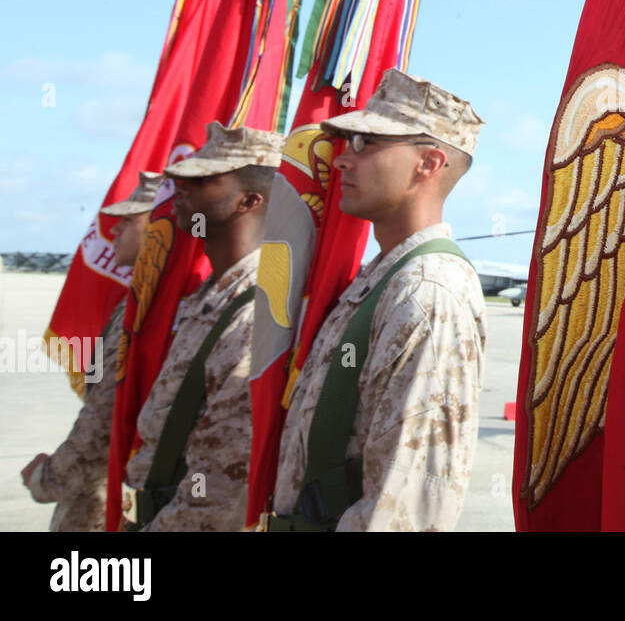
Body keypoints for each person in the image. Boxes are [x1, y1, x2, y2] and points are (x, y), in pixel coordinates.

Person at [265, 67, 486, 531]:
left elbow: (404, 512)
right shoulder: (384, 278)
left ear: (428, 163)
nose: (343, 161)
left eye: (367, 144)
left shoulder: (430, 293)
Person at [120, 123, 283, 531]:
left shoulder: (256, 309)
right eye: (181, 177)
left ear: (248, 200)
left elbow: (222, 485)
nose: (179, 186)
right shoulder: (212, 292)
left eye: (203, 179)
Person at [22, 171, 162, 531]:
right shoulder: (135, 305)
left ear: (157, 228)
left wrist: (46, 477)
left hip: (112, 505)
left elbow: (103, 427)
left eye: (128, 221)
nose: (113, 231)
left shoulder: (150, 313)